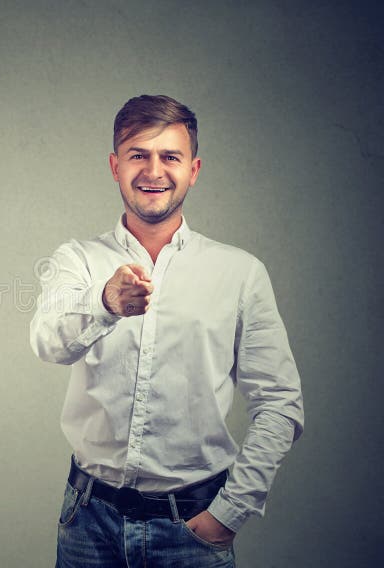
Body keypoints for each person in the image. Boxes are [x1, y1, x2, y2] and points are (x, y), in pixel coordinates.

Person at [29, 94, 304, 568]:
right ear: (115, 166)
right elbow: (47, 341)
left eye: (169, 156)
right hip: (87, 522)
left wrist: (229, 513)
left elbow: (280, 403)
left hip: (193, 527)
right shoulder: (77, 260)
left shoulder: (240, 273)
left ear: (193, 169)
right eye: (138, 155)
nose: (153, 170)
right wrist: (104, 304)